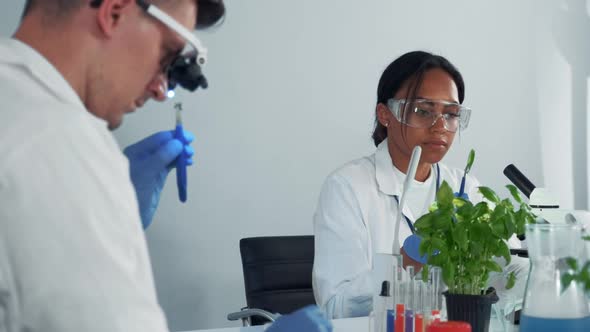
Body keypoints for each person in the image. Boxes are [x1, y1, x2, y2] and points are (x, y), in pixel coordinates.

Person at [0, 1, 331, 331]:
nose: (161, 90)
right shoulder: (58, 141)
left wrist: (117, 212)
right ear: (114, 12)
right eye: (168, 56)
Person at [312, 51, 528, 319]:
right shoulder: (347, 187)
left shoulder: (465, 187)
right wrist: (401, 268)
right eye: (422, 111)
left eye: (450, 114)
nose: (440, 126)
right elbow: (335, 305)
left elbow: (513, 267)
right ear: (385, 114)